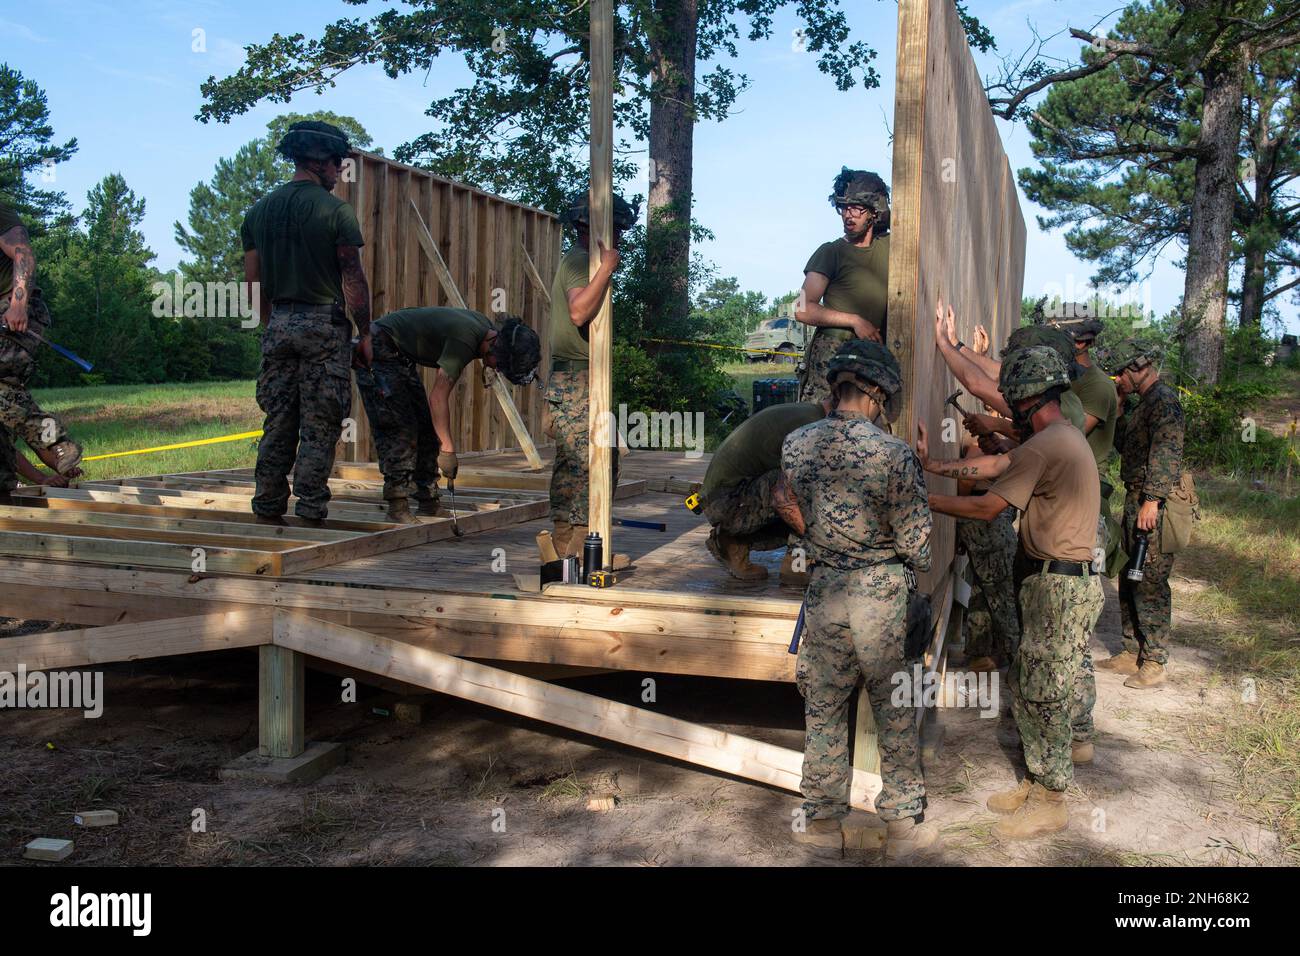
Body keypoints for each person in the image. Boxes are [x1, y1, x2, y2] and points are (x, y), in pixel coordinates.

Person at [921, 346, 1104, 840]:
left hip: (1059, 586)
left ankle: (1052, 798)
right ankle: (1038, 780)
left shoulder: (1048, 445)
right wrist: (934, 465)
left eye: (1009, 403)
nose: (1004, 411)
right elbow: (995, 466)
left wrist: (923, 499)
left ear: (1024, 402)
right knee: (1027, 684)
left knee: (1044, 693)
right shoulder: (1056, 438)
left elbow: (986, 507)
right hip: (1054, 580)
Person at [781, 340, 936, 859]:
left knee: (823, 707)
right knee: (893, 706)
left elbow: (791, 505)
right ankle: (902, 829)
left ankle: (823, 827)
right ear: (876, 393)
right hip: (881, 593)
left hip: (825, 589)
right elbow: (919, 546)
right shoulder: (894, 455)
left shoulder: (796, 444)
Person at [242, 120, 370, 526]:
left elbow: (252, 283)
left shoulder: (258, 212)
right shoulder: (336, 211)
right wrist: (365, 333)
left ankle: (267, 506)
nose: (339, 172)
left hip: (278, 324)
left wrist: (272, 326)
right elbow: (352, 277)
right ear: (319, 161)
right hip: (323, 326)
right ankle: (311, 510)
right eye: (337, 163)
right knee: (321, 422)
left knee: (278, 419)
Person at [356, 307, 541, 522]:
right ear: (494, 348)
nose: (498, 369)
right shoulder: (465, 341)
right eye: (499, 364)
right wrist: (448, 449)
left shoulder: (484, 330)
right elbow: (438, 397)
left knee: (426, 427)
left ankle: (428, 502)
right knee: (400, 429)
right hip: (375, 349)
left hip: (398, 356)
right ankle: (397, 506)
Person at [546, 188, 639, 559]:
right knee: (587, 461)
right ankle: (576, 545)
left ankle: (578, 544)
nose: (619, 238)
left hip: (585, 378)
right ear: (594, 227)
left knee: (591, 459)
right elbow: (578, 312)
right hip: (575, 381)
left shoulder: (585, 261)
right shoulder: (580, 261)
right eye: (617, 230)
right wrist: (606, 268)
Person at [1097, 340, 1185, 689]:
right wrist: (1119, 412)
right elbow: (1128, 449)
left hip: (1153, 503)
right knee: (1129, 573)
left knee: (1150, 580)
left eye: (1123, 374)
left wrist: (1153, 500)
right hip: (1136, 497)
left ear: (1140, 370)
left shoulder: (1164, 402)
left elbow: (1167, 452)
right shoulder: (1143, 405)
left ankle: (1155, 660)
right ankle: (1131, 649)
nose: (1119, 379)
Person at [0, 198, 84, 492]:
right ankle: (6, 486)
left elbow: (24, 255)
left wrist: (18, 304)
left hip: (14, 314)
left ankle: (58, 444)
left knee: (2, 395)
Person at [699, 398, 830, 584]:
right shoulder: (812, 426)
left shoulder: (808, 413)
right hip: (728, 503)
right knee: (808, 484)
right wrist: (821, 539)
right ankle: (797, 565)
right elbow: (786, 499)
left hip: (726, 498)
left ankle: (734, 542)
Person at [793, 168, 890, 404]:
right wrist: (855, 321)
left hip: (874, 358)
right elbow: (802, 308)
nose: (849, 215)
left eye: (857, 208)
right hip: (832, 354)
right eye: (844, 208)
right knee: (819, 429)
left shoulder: (891, 247)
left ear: (874, 212)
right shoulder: (831, 252)